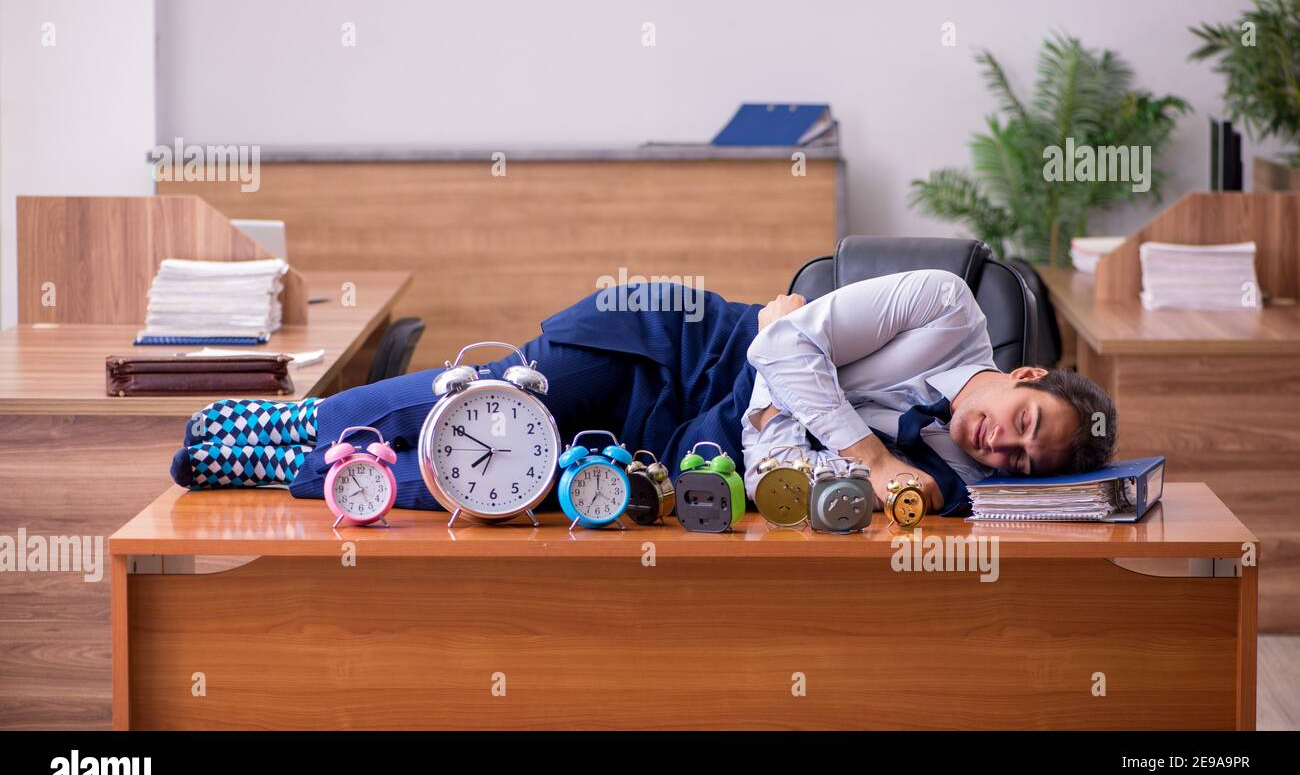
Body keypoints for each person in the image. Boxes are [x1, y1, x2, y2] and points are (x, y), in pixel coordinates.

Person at [171, 270, 1117, 516]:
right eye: (1025, 419)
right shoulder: (948, 308)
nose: (1005, 441)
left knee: (521, 487)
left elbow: (789, 380)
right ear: (1026, 372)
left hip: (689, 433)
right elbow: (780, 347)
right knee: (492, 406)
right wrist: (862, 451)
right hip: (668, 344)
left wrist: (791, 371)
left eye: (1024, 458)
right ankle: (255, 431)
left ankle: (292, 474)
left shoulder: (949, 470)